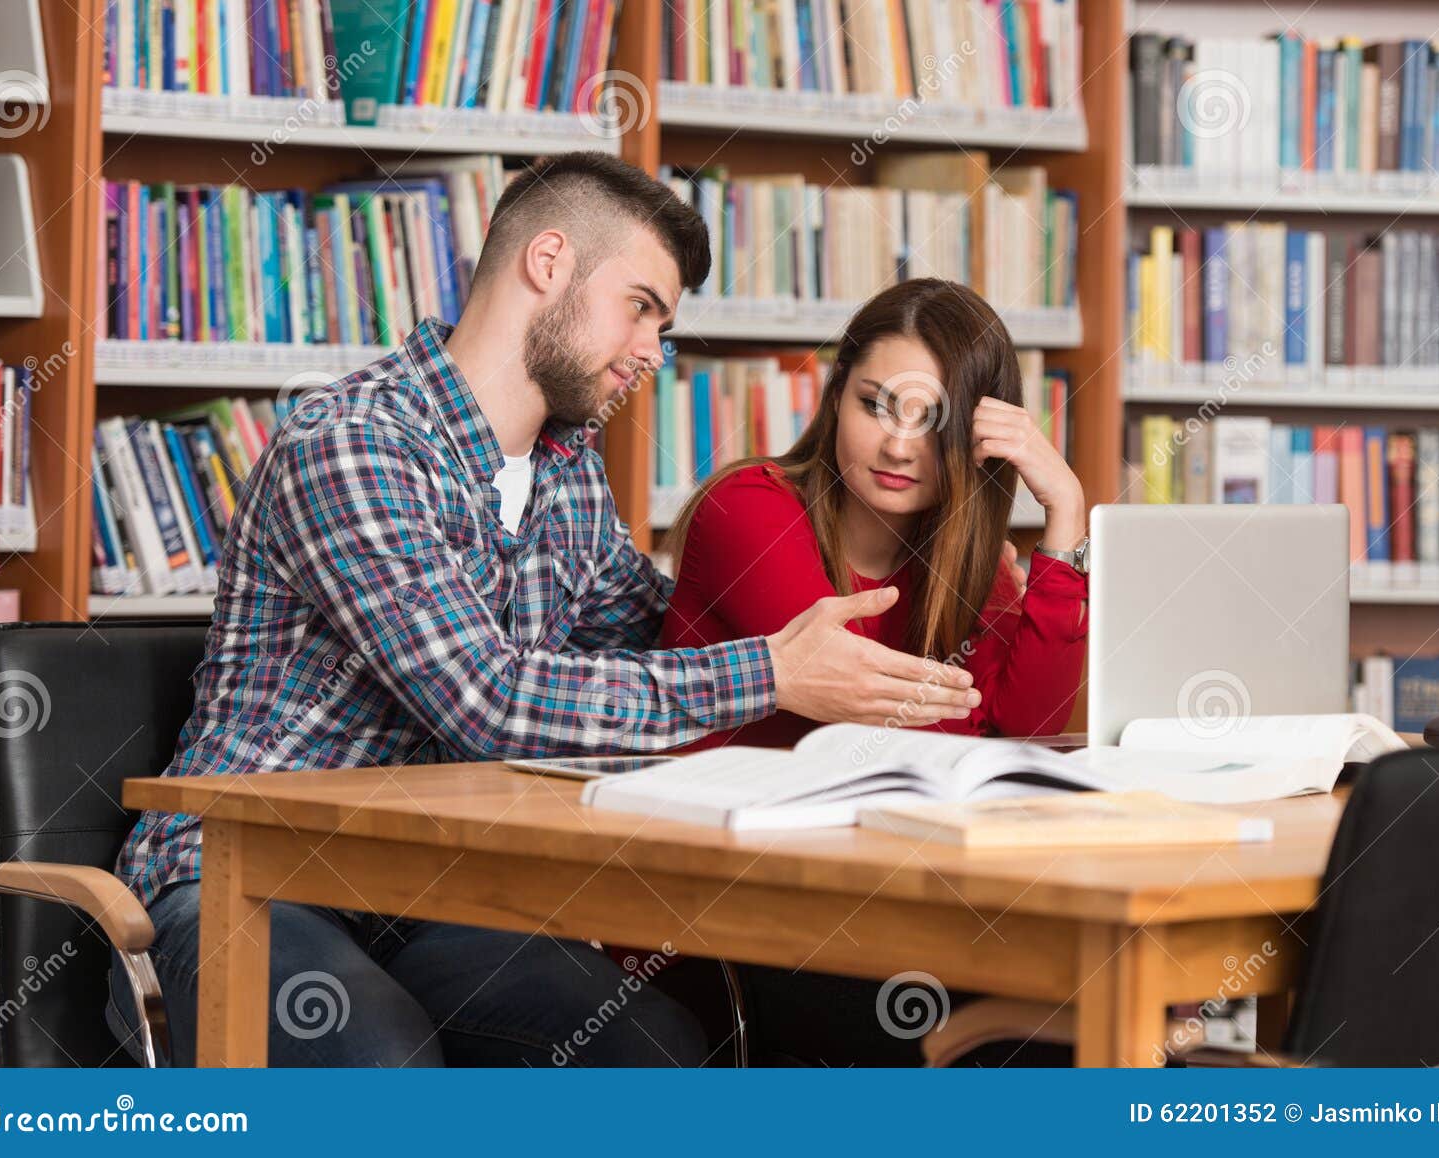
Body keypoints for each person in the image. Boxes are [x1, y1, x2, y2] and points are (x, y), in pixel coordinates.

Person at [108, 153, 982, 1068]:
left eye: (664, 324)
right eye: (642, 306)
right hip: (245, 876)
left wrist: (890, 548)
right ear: (549, 262)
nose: (655, 350)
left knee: (657, 1050)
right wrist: (770, 670)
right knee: (381, 1065)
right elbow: (486, 701)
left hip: (416, 892)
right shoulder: (354, 443)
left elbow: (663, 638)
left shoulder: (567, 474)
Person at [659, 277, 1090, 1064]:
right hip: (727, 919)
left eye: (934, 423)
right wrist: (976, 725)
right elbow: (886, 714)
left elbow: (1025, 732)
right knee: (1014, 1046)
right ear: (834, 398)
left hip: (890, 910)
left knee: (1100, 1032)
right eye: (876, 404)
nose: (898, 445)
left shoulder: (966, 562)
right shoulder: (748, 510)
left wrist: (1063, 513)